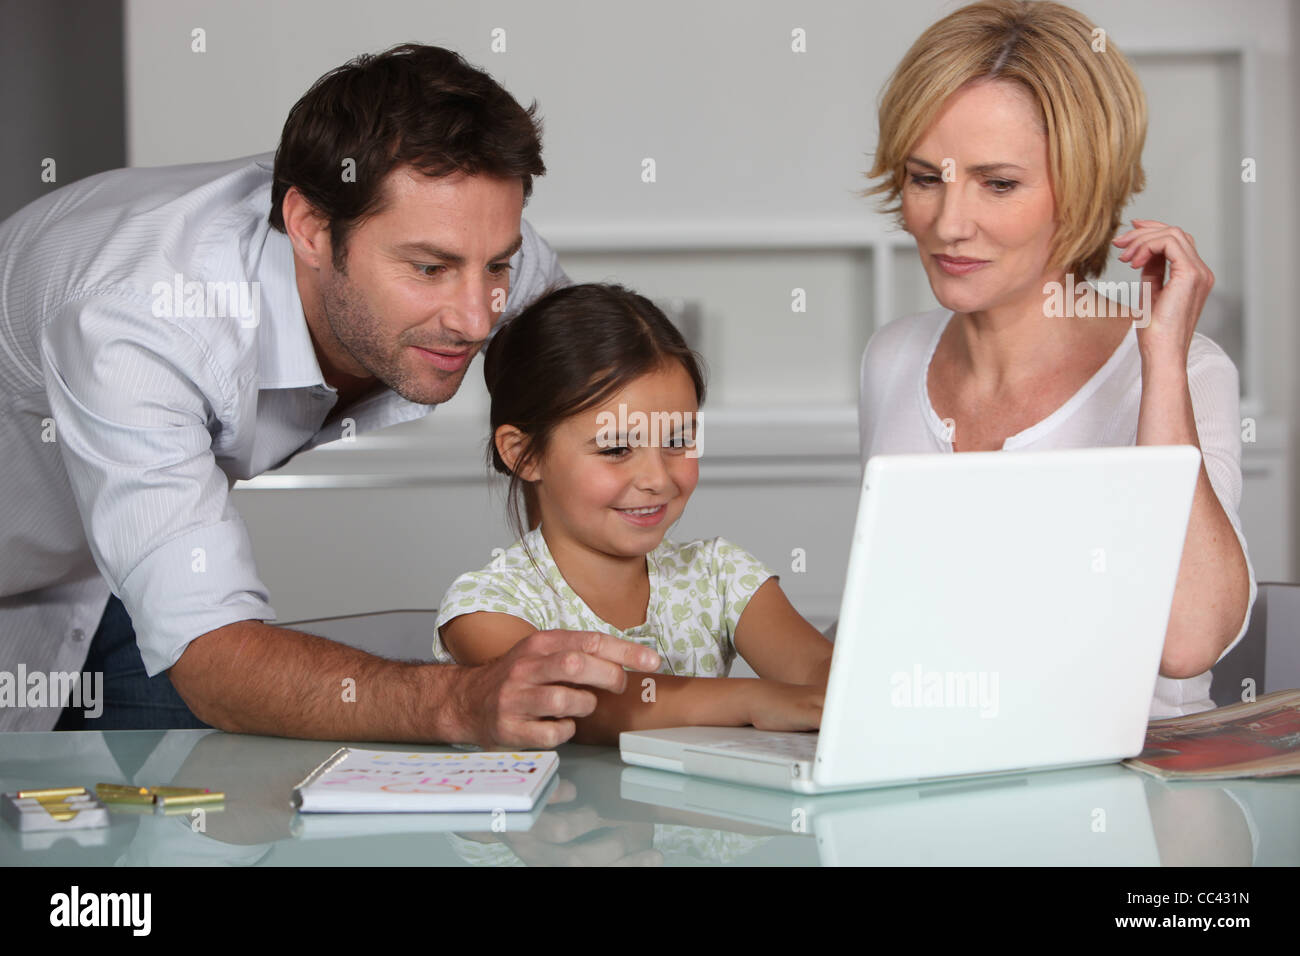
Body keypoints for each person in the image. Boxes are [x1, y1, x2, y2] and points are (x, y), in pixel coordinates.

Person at [0, 43, 658, 742]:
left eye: (497, 262)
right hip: (41, 580)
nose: (476, 315)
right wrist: (459, 701)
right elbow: (215, 658)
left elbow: (575, 412)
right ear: (311, 228)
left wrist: (574, 612)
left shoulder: (472, 249)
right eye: (429, 268)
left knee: (180, 829)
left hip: (104, 573)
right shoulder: (139, 319)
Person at [858, 0, 1254, 717]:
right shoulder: (893, 359)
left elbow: (1186, 642)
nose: (948, 224)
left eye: (998, 183)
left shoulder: (1187, 370)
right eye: (925, 178)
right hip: (945, 777)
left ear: (1080, 191)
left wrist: (1160, 362)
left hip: (1146, 801)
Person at [433, 283, 832, 745]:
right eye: (618, 448)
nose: (658, 479)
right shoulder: (487, 607)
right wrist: (755, 699)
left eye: (677, 441)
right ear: (523, 454)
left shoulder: (722, 576)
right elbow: (580, 703)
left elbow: (821, 674)